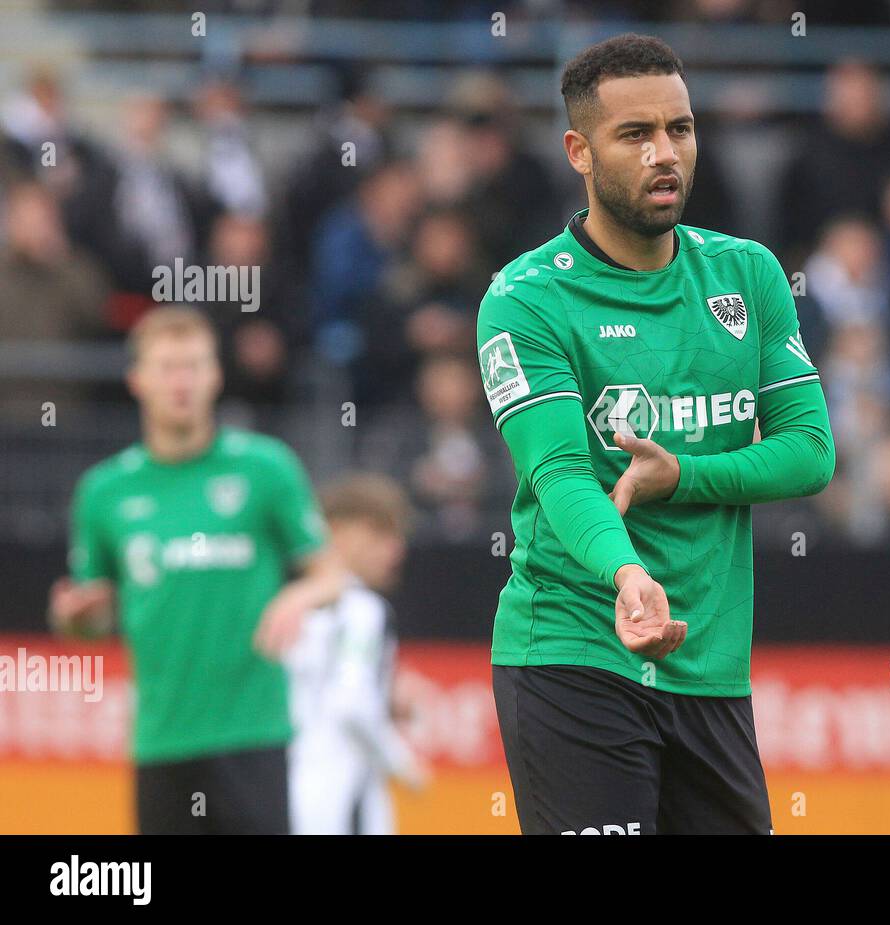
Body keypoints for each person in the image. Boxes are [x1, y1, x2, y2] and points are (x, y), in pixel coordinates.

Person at [476, 34, 834, 835]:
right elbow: (562, 474)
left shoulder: (748, 274)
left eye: (680, 128)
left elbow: (811, 450)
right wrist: (626, 572)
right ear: (579, 150)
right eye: (635, 134)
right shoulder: (525, 299)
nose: (665, 152)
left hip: (708, 662)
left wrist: (685, 477)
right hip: (576, 644)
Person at [47, 306, 347, 834]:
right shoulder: (104, 491)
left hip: (253, 732)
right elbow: (90, 624)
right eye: (166, 367)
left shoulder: (265, 467)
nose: (180, 381)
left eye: (193, 366)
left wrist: (296, 596)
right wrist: (75, 616)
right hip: (162, 738)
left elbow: (331, 575)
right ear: (137, 379)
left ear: (215, 375)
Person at [287, 473, 428, 835]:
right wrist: (404, 764)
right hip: (342, 797)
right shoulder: (363, 609)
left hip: (283, 789)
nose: (395, 550)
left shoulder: (286, 606)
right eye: (379, 533)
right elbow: (351, 702)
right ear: (335, 530)